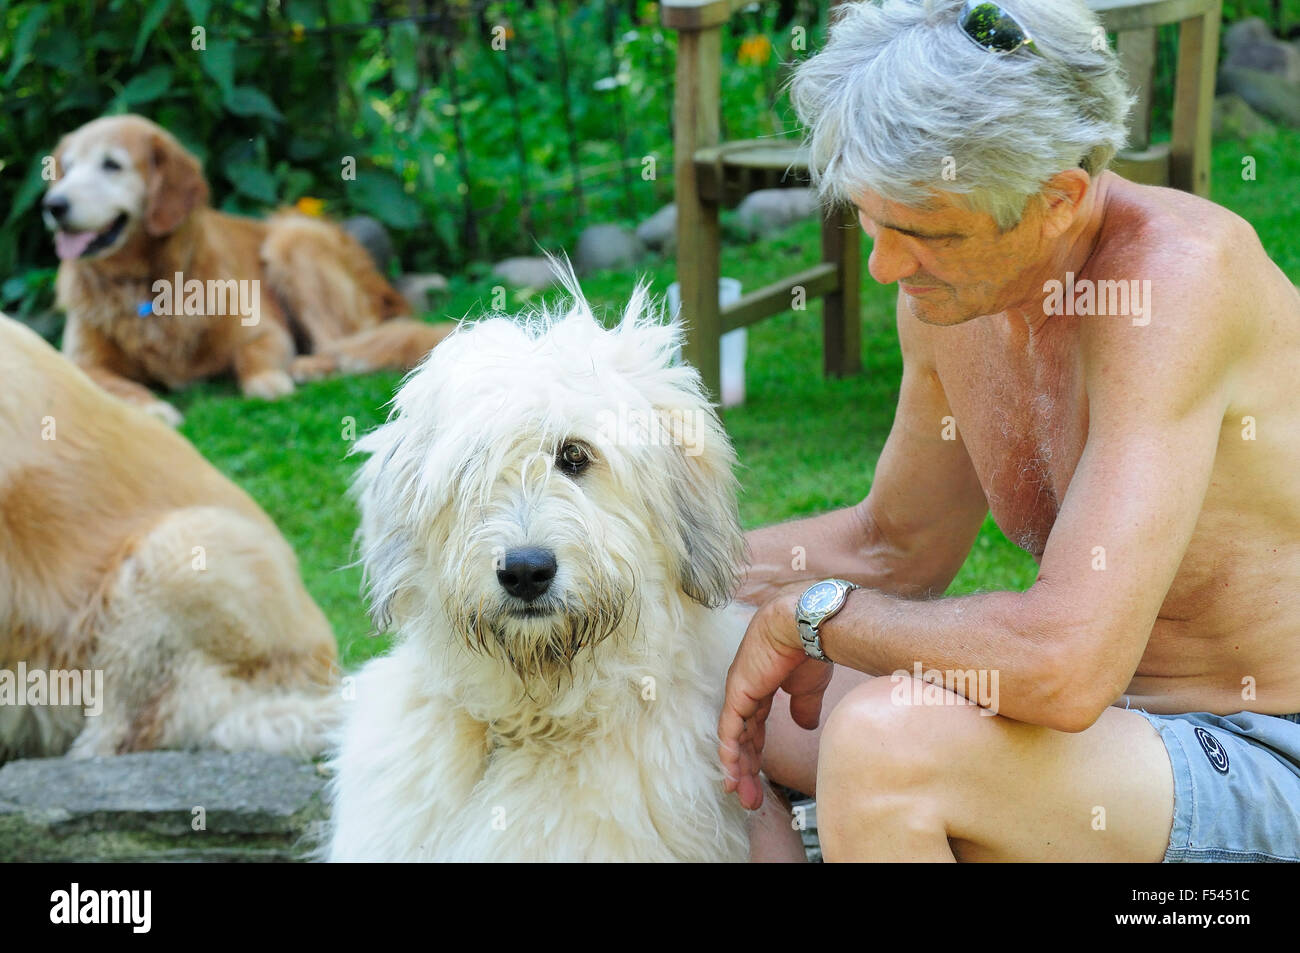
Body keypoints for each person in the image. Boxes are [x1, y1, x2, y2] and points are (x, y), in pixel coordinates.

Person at [721, 0, 1300, 862]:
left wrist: (810, 616)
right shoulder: (954, 296)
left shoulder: (1175, 283)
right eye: (872, 221)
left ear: (1059, 199)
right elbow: (893, 546)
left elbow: (1062, 663)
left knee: (892, 746)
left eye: (925, 234)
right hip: (1101, 742)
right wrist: (655, 564)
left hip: (1261, 746)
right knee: (684, 657)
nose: (883, 267)